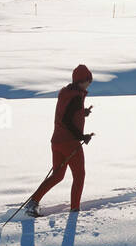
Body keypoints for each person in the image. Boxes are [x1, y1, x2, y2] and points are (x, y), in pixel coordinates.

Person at [23, 64, 94, 216]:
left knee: (58, 175)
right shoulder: (76, 97)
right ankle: (75, 209)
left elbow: (68, 114)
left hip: (57, 141)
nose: (89, 83)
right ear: (81, 81)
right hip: (70, 143)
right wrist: (82, 136)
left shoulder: (67, 93)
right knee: (79, 175)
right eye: (88, 80)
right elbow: (67, 120)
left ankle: (33, 202)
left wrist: (82, 112)